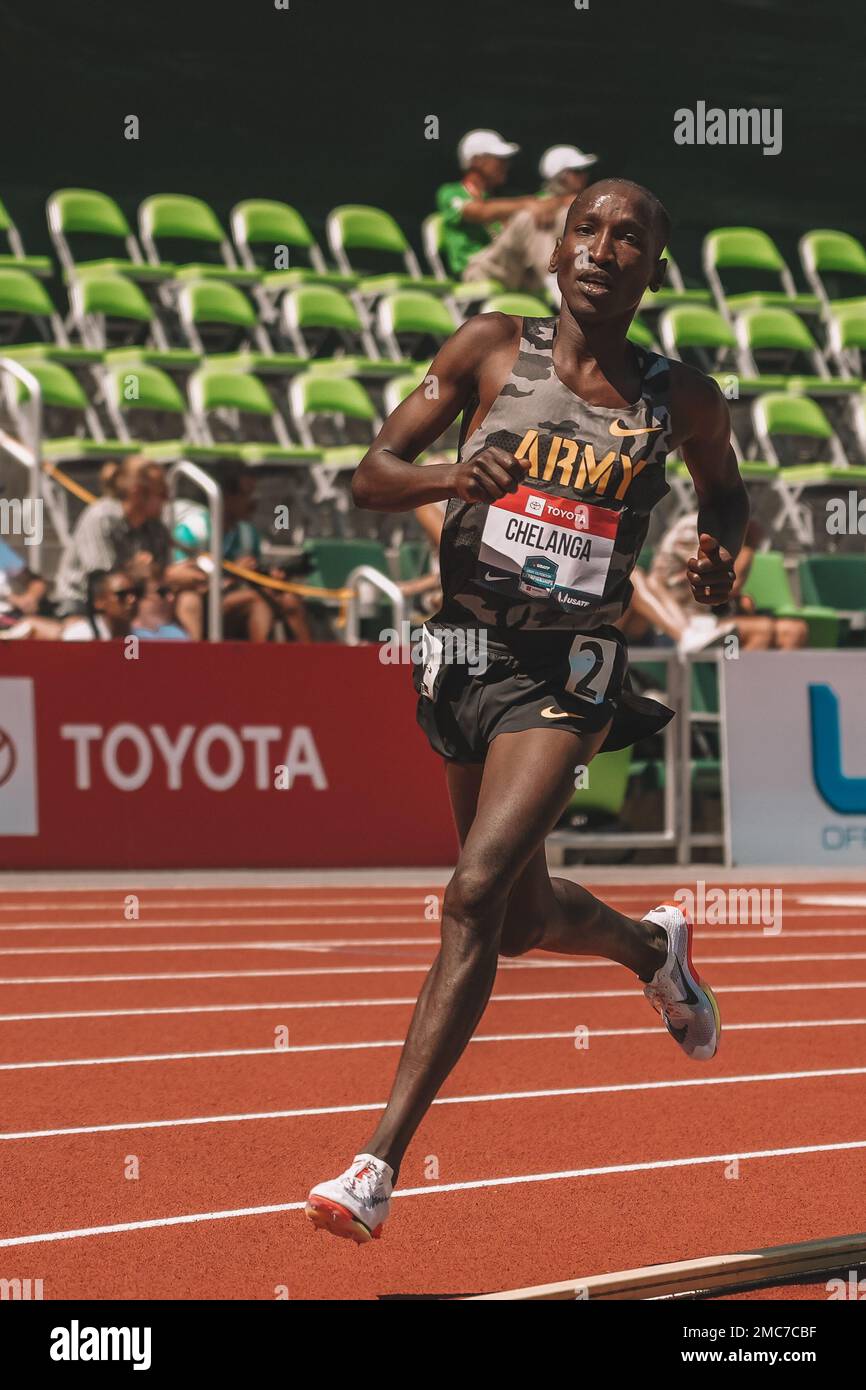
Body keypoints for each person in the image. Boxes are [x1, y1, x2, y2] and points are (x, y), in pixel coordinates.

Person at [306, 178, 749, 1244]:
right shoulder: (489, 349)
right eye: (584, 230)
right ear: (556, 250)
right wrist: (450, 476)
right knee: (512, 919)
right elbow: (368, 475)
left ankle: (375, 1165)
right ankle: (650, 951)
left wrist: (720, 551)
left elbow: (724, 490)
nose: (601, 248)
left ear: (651, 267)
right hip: (461, 651)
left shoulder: (678, 398)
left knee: (469, 897)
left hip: (572, 670)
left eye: (627, 237)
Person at [52, 455, 205, 624]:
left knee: (189, 601)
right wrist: (165, 576)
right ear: (137, 493)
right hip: (85, 604)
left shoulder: (156, 528)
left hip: (135, 602)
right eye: (162, 493)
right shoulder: (102, 518)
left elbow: (156, 575)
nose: (168, 499)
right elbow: (104, 582)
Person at [172, 464, 312, 641]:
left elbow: (252, 577)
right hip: (204, 601)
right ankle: (259, 665)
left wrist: (267, 578)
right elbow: (180, 579)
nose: (254, 502)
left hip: (237, 596)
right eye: (247, 494)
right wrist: (233, 573)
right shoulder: (193, 529)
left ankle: (311, 664)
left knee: (290, 600)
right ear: (226, 497)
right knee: (256, 603)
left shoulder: (249, 533)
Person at [648, 513, 807, 651]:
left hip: (708, 617)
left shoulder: (730, 532)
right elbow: (727, 587)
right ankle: (740, 686)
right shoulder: (695, 528)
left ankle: (771, 686)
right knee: (762, 629)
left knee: (794, 631)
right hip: (682, 620)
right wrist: (750, 544)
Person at [463, 143, 599, 295]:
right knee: (529, 219)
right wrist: (529, 204)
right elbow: (478, 211)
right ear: (562, 176)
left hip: (524, 274)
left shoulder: (541, 205)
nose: (585, 175)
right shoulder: (538, 206)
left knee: (569, 217)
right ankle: (558, 285)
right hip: (490, 268)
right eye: (578, 171)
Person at [436, 129, 562, 280]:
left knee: (561, 218)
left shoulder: (494, 200)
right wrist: (527, 204)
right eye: (499, 159)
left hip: (506, 268)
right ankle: (555, 281)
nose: (506, 165)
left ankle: (566, 283)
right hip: (475, 269)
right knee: (525, 219)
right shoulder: (450, 192)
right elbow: (478, 212)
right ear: (477, 161)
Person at [61, 567, 140, 641]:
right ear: (99, 601)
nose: (132, 600)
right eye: (122, 594)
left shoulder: (142, 637)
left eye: (136, 592)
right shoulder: (79, 637)